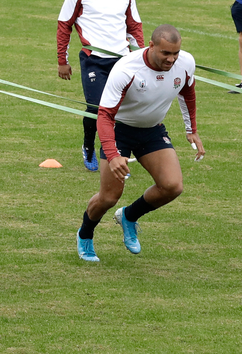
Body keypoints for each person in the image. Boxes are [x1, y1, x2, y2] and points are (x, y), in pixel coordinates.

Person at [75, 25, 204, 263]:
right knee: (109, 196)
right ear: (151, 46)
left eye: (175, 53)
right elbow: (104, 116)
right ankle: (85, 234)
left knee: (172, 186)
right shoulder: (126, 69)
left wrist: (191, 130)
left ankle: (129, 216)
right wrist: (113, 154)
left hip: (152, 130)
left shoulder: (185, 63)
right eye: (166, 53)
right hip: (118, 130)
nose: (171, 59)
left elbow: (188, 93)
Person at [57, 0, 145, 172]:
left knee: (124, 109)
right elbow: (64, 26)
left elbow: (135, 27)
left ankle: (118, 153)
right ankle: (88, 146)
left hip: (121, 61)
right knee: (97, 108)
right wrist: (62, 61)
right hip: (93, 60)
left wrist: (142, 57)